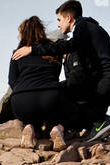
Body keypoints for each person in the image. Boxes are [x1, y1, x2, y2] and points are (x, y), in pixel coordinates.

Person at [12, 0, 110, 142]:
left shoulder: (83, 26)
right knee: (69, 95)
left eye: (59, 19)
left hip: (109, 81)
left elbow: (70, 46)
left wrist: (33, 49)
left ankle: (101, 121)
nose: (58, 24)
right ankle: (83, 126)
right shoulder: (89, 30)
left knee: (72, 100)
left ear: (69, 18)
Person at [6, 16, 82, 148]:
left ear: (23, 34)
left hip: (21, 101)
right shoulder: (54, 51)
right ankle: (58, 129)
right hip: (50, 97)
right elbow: (56, 76)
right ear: (42, 31)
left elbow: (12, 81)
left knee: (31, 113)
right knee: (74, 110)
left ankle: (30, 127)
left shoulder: (17, 53)